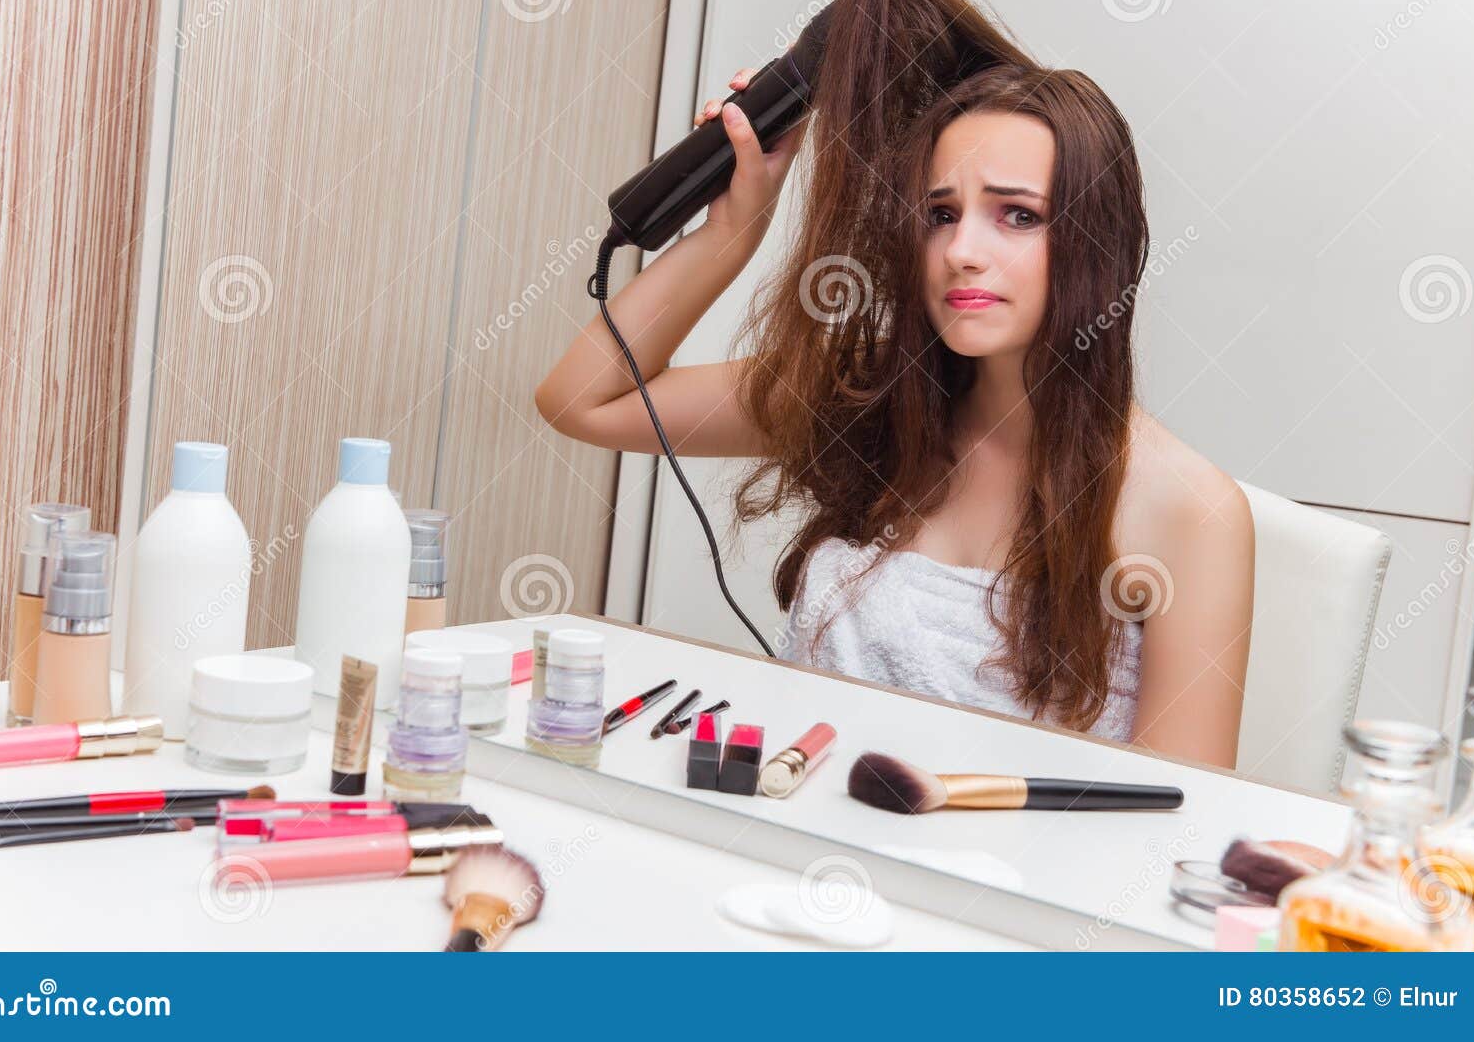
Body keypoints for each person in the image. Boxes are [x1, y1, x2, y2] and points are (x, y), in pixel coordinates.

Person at [536, 62, 1252, 770]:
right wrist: (732, 230)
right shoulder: (865, 398)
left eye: (1018, 215)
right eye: (941, 215)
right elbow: (583, 401)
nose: (961, 252)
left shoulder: (1187, 511)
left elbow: (1175, 826)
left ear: (1100, 241)